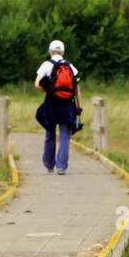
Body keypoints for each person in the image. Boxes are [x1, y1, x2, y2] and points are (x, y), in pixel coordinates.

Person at [34, 39, 82, 175]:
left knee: (50, 132)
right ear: (63, 52)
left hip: (52, 103)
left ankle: (49, 164)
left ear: (50, 51)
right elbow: (77, 90)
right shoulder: (71, 67)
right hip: (67, 105)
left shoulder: (46, 65)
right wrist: (79, 108)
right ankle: (61, 167)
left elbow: (37, 84)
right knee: (65, 135)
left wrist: (49, 90)